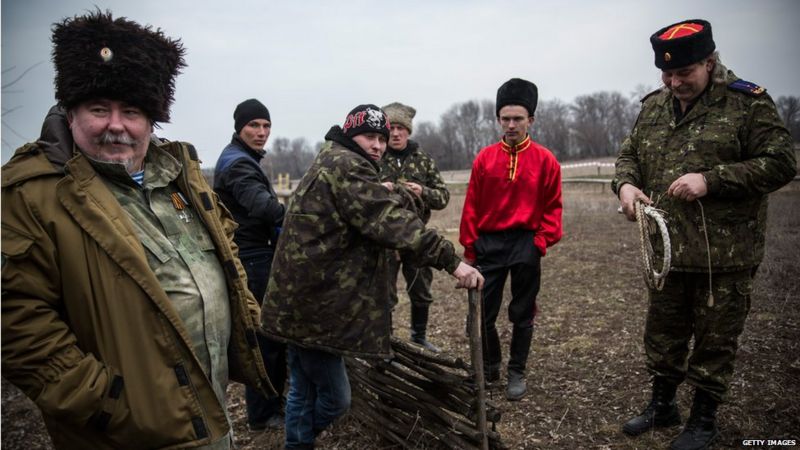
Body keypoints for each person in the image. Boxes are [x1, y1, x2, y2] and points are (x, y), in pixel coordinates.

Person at [1, 11, 274, 449]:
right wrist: (108, 404)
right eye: (98, 109)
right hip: (125, 433)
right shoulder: (33, 193)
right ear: (70, 113)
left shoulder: (179, 177)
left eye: (130, 111)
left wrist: (244, 317)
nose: (116, 125)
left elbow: (227, 253)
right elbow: (16, 322)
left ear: (150, 121)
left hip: (210, 413)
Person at [612, 19, 796, 450]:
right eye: (667, 74)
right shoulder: (654, 106)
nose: (675, 82)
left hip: (725, 256)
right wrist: (625, 185)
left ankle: (703, 419)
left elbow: (782, 162)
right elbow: (629, 155)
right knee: (663, 335)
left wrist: (712, 180)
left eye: (685, 73)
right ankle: (663, 405)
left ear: (709, 63)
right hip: (668, 251)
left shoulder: (748, 103)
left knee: (715, 341)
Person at [260, 104, 484, 450]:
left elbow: (372, 204)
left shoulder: (331, 159)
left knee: (303, 390)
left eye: (382, 138)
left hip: (299, 302)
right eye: (370, 137)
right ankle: (301, 441)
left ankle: (296, 445)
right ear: (351, 135)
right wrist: (453, 262)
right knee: (337, 399)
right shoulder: (348, 166)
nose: (378, 145)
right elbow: (390, 221)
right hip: (317, 309)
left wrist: (395, 191)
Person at [459, 78, 563, 401]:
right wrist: (470, 249)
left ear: (531, 119)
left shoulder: (546, 161)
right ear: (498, 120)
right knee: (484, 312)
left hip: (525, 243)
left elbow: (553, 207)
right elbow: (471, 206)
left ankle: (517, 370)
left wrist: (540, 242)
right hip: (489, 244)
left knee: (522, 311)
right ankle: (490, 366)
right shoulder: (484, 159)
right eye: (505, 118)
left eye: (518, 118)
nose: (511, 124)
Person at [213, 99, 287, 432]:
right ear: (239, 127)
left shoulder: (239, 158)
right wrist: (293, 213)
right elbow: (262, 207)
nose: (261, 133)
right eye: (253, 126)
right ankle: (263, 414)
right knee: (265, 335)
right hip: (252, 257)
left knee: (267, 333)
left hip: (254, 253)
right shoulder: (238, 164)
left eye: (266, 126)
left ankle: (271, 405)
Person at [378, 101, 450, 352]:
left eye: (401, 128)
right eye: (392, 128)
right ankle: (384, 342)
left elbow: (443, 197)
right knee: (383, 294)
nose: (396, 133)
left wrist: (424, 191)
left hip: (417, 238)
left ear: (409, 131)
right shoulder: (375, 158)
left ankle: (419, 337)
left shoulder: (423, 160)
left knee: (421, 290)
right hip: (383, 240)